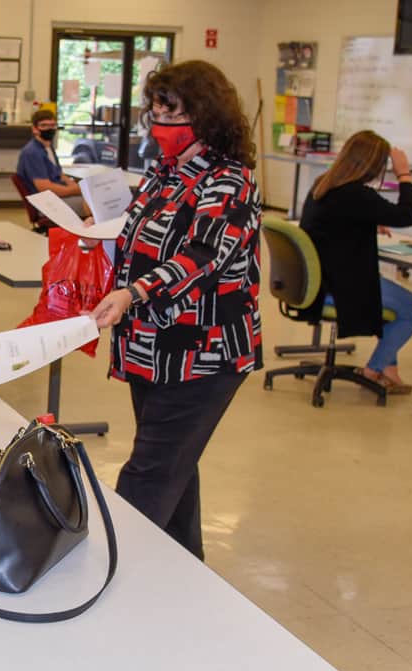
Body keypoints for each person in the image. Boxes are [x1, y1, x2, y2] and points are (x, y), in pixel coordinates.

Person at [89, 60, 263, 561]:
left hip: (203, 352)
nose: (158, 122)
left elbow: (202, 258)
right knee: (172, 466)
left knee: (148, 475)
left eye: (171, 111)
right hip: (151, 348)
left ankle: (107, 574)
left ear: (204, 116)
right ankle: (187, 572)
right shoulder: (166, 172)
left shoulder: (231, 180)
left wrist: (135, 292)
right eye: (155, 110)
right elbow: (142, 235)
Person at [298, 131, 412, 394]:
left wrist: (367, 222)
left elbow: (332, 223)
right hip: (341, 289)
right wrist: (404, 174)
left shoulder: (324, 185)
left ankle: (391, 371)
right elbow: (406, 215)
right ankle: (373, 370)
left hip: (317, 284)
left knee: (394, 302)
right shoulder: (357, 195)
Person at [16, 107, 87, 214]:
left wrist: (72, 185)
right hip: (46, 204)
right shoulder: (32, 152)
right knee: (94, 206)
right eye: (44, 125)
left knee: (96, 200)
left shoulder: (48, 147)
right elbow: (45, 188)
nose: (49, 129)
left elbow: (59, 174)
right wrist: (76, 190)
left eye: (52, 125)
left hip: (57, 197)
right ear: (35, 129)